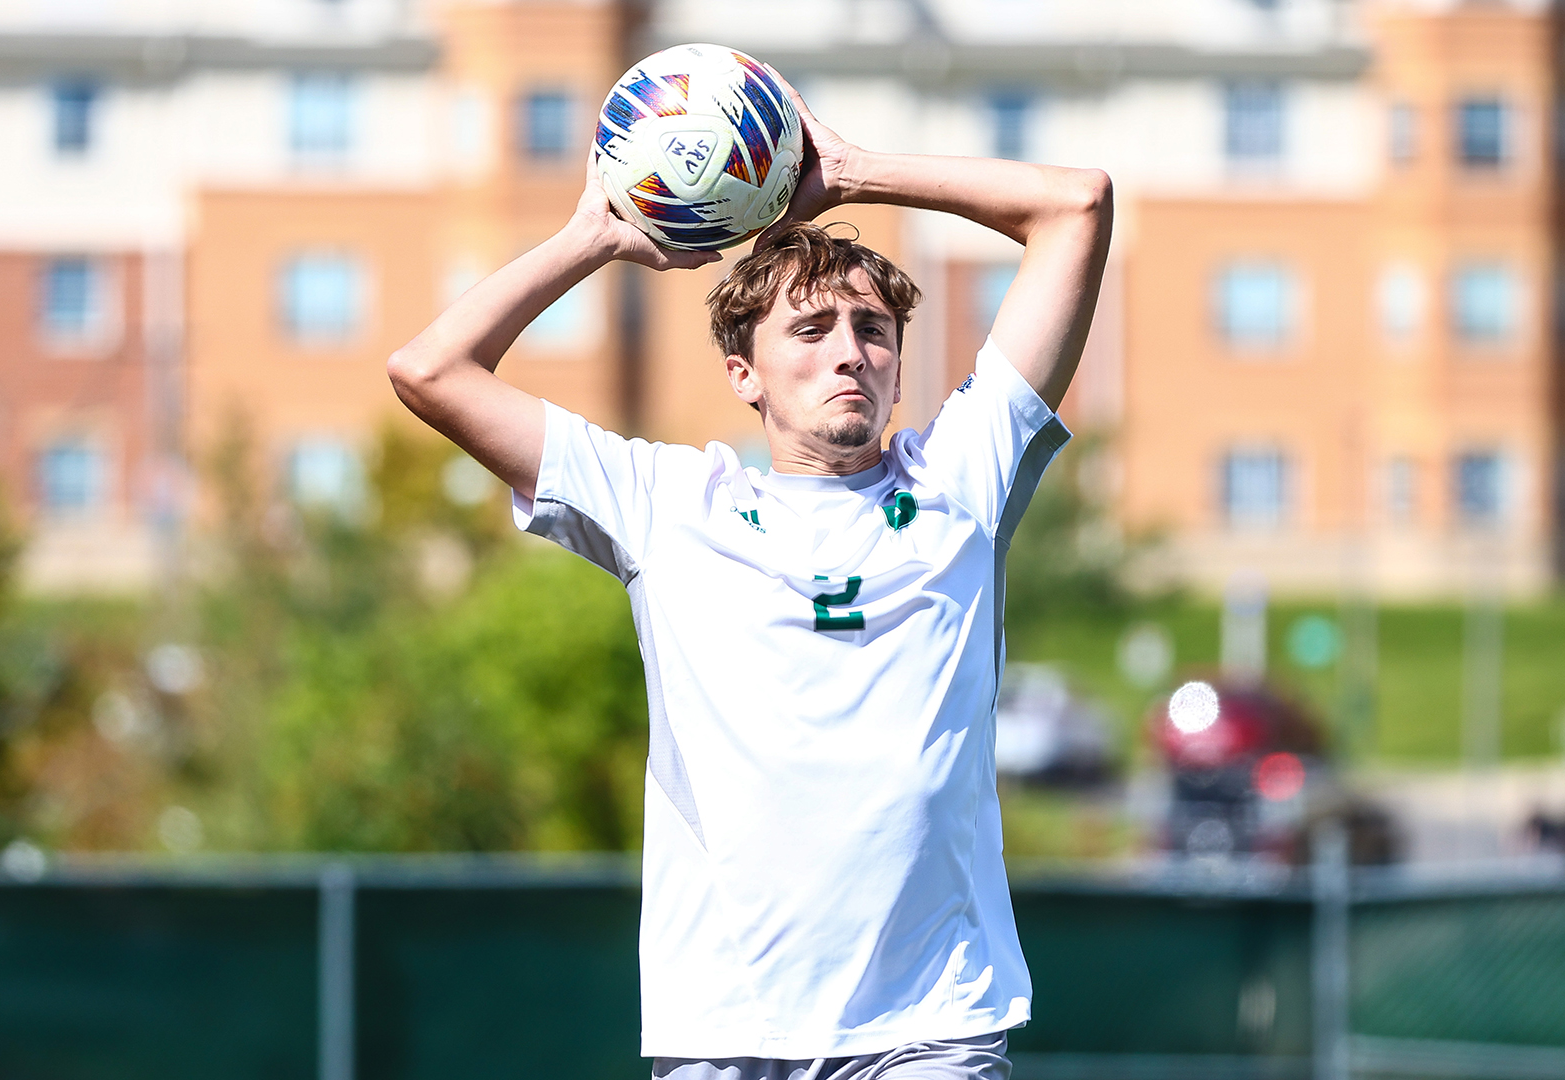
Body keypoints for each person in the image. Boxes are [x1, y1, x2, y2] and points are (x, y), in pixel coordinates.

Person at [387, 75, 1112, 1080]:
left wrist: (851, 174)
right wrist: (594, 236)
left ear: (901, 363)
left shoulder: (963, 485)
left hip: (927, 1027)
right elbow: (430, 370)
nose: (850, 354)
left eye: (873, 331)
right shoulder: (666, 504)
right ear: (745, 374)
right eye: (811, 333)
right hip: (723, 1026)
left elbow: (1075, 206)